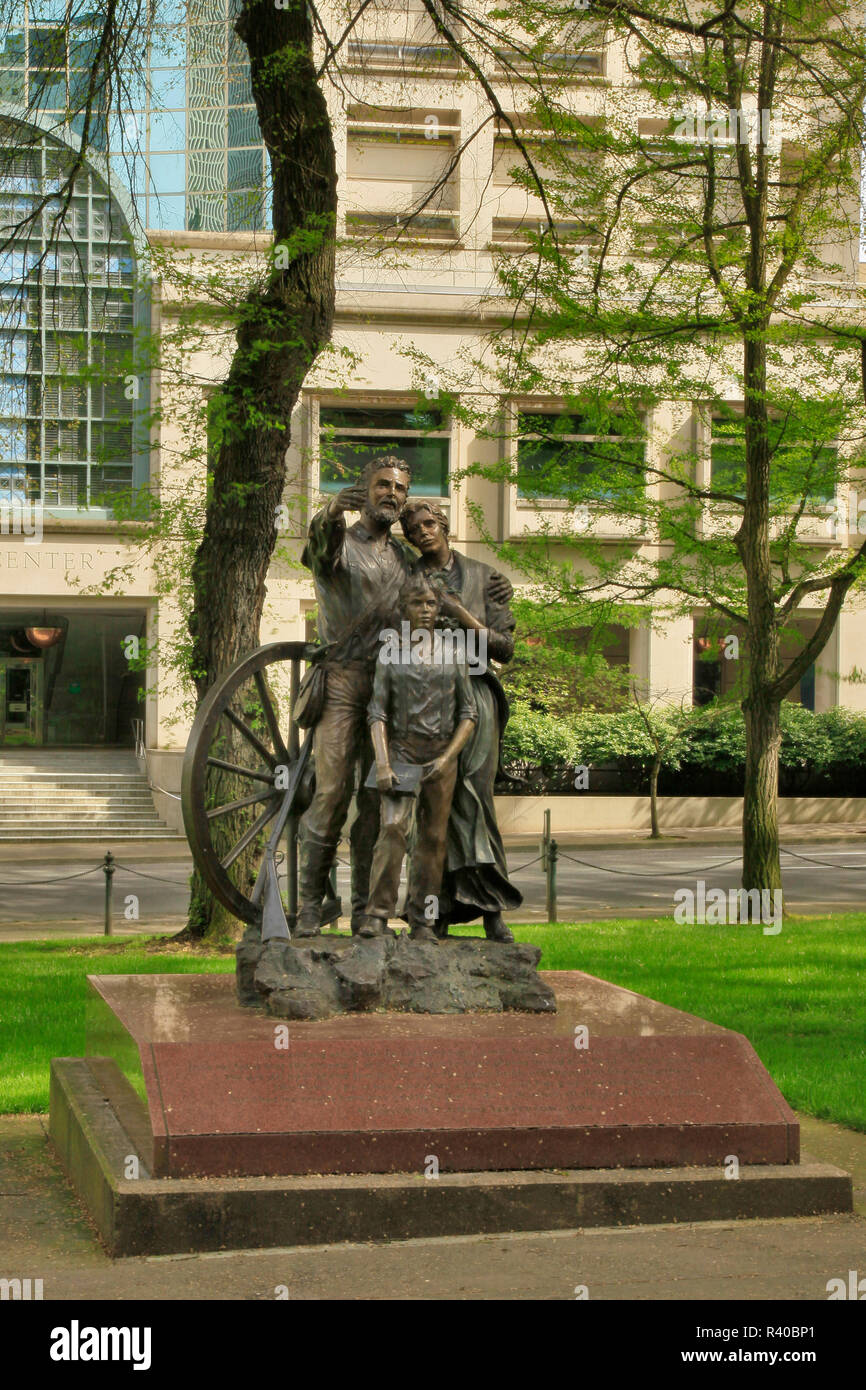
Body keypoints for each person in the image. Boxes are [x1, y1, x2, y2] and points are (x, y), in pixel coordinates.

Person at [296, 456, 415, 936]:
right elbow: (319, 547)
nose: (391, 494)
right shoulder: (340, 544)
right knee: (330, 793)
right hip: (342, 681)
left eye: (400, 488)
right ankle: (310, 904)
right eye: (383, 485)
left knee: (375, 801)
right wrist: (327, 512)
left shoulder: (405, 560)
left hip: (387, 689)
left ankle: (369, 912)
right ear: (364, 491)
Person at [400, 499, 522, 942]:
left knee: (475, 799)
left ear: (444, 524)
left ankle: (492, 909)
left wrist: (461, 614)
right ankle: (433, 913)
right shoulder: (406, 577)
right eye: (413, 531)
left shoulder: (485, 577)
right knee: (434, 810)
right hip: (427, 698)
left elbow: (504, 649)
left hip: (475, 692)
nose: (422, 534)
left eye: (428, 524)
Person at [359, 573, 477, 943]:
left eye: (430, 603)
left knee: (433, 839)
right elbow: (376, 712)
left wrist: (447, 758)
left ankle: (423, 920)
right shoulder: (389, 654)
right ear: (403, 608)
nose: (425, 610)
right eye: (416, 603)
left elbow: (469, 714)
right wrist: (382, 761)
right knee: (393, 829)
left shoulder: (455, 653)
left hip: (442, 755)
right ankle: (377, 915)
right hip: (402, 752)